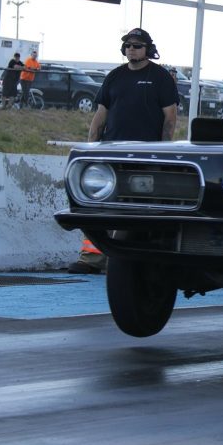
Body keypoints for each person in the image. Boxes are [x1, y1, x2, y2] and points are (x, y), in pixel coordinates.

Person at [67, 27, 178, 274]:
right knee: (97, 203)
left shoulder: (160, 78)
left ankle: (126, 259)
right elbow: (100, 115)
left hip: (145, 154)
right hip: (111, 152)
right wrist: (91, 147)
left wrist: (163, 151)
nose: (132, 49)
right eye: (128, 45)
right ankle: (91, 258)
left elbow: (170, 118)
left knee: (135, 208)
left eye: (137, 45)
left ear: (148, 49)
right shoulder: (115, 77)